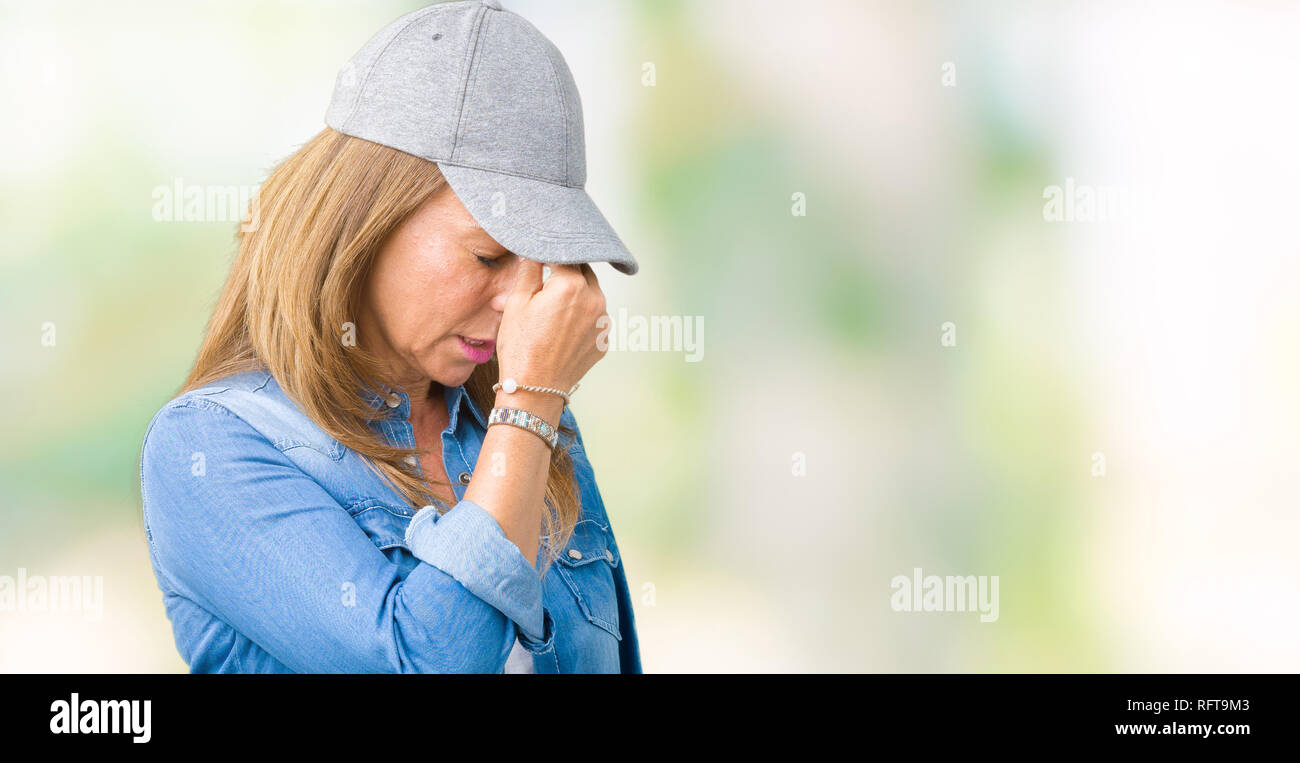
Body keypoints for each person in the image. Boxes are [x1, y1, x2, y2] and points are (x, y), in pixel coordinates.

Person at [138, 0, 641, 673]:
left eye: (544, 266)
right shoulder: (209, 445)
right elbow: (427, 660)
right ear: (365, 223)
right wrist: (529, 407)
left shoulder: (529, 420)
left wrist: (528, 412)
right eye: (489, 256)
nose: (520, 304)